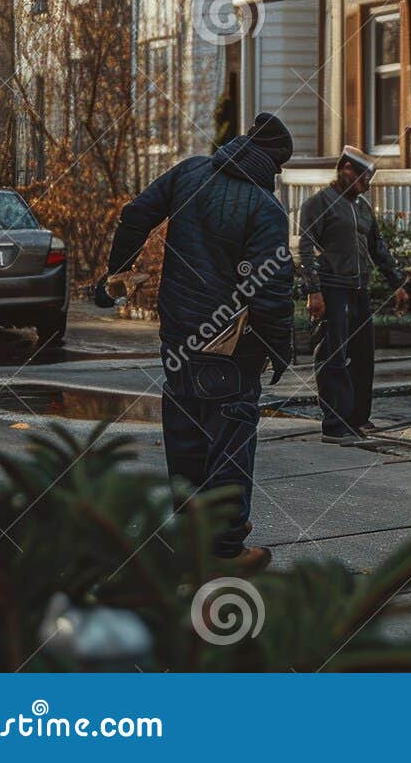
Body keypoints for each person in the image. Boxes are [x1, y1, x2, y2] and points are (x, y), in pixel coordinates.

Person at [95, 113, 296, 572]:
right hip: (230, 346)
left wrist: (117, 272)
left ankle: (189, 538)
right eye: (280, 164)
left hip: (179, 334)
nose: (280, 173)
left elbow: (134, 215)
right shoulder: (264, 208)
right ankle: (224, 550)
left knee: (185, 438)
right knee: (230, 441)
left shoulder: (189, 172)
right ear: (271, 160)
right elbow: (271, 288)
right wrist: (278, 347)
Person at [298, 146, 410, 444]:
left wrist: (396, 283)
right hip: (333, 288)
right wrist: (313, 290)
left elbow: (378, 247)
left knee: (363, 356)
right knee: (333, 355)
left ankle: (357, 419)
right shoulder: (318, 204)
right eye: (363, 177)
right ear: (345, 168)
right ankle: (334, 425)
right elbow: (306, 247)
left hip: (359, 288)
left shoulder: (361, 207)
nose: (367, 184)